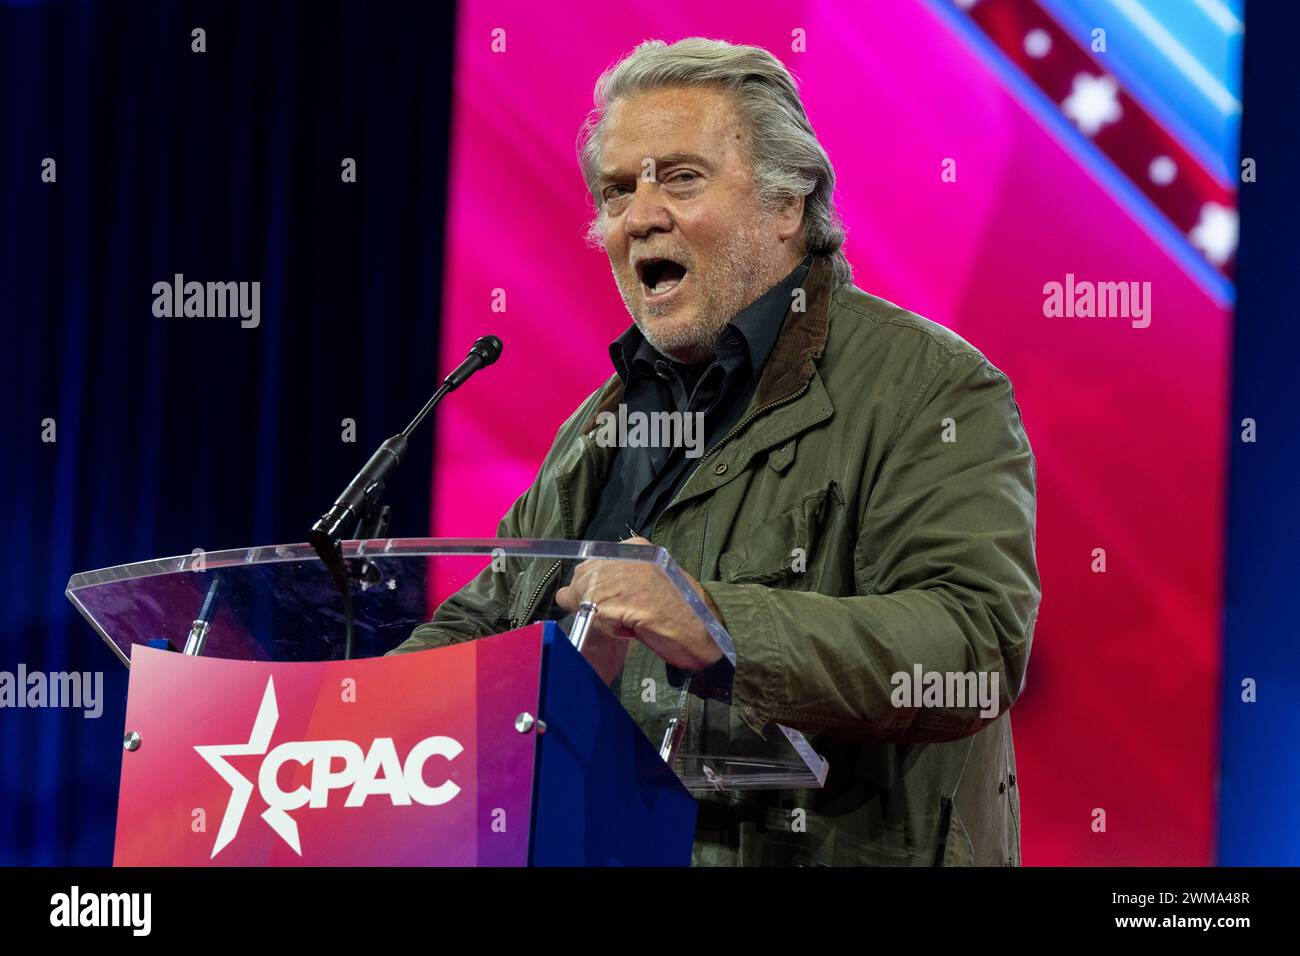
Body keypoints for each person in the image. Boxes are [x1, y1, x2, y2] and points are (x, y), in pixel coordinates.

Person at [390, 37, 1040, 866]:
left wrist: (719, 625)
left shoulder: (930, 388)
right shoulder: (600, 425)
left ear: (787, 204)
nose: (640, 215)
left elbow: (973, 641)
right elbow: (490, 621)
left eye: (681, 178)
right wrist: (357, 723)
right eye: (617, 190)